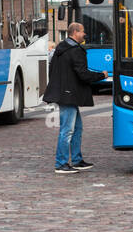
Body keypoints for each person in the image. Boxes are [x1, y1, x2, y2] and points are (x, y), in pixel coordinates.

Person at [42, 22, 106, 174]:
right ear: (75, 32)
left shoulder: (61, 48)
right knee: (68, 130)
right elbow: (83, 74)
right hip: (69, 95)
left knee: (77, 128)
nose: (84, 34)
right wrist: (101, 75)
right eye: (83, 31)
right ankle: (61, 163)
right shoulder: (74, 50)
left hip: (65, 93)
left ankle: (76, 160)